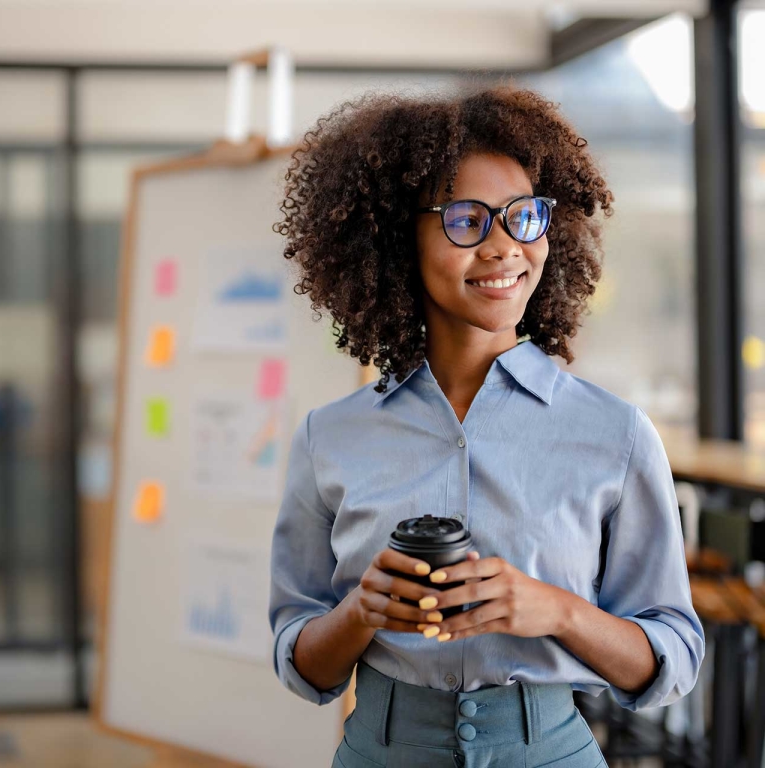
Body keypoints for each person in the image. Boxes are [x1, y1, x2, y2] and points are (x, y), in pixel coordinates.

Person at [268, 83, 705, 768]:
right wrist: (361, 612)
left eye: (523, 218)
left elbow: (675, 657)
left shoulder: (615, 435)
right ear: (396, 236)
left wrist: (557, 612)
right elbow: (301, 661)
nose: (506, 248)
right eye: (467, 220)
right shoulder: (331, 438)